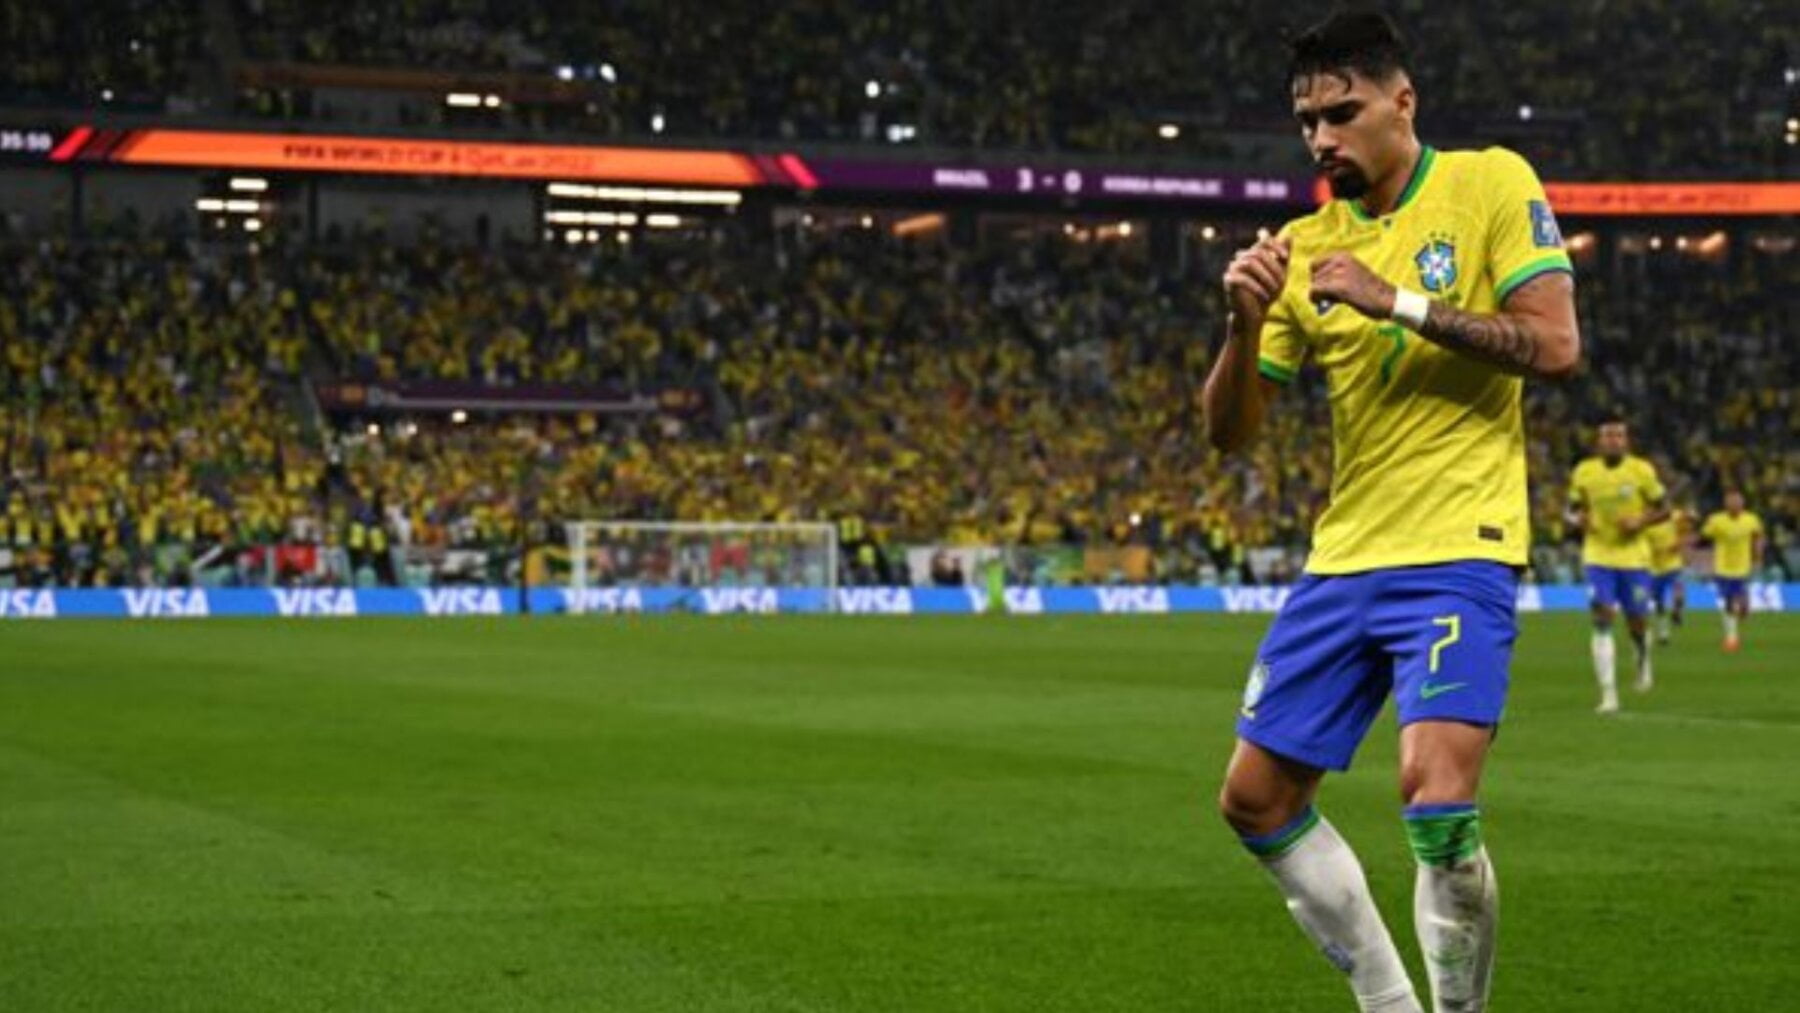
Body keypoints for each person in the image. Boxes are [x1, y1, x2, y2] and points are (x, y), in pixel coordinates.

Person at [1201, 11, 1579, 1012]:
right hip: (1345, 555)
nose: (1321, 138)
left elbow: (1554, 345)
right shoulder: (1300, 247)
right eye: (1306, 122)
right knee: (1254, 798)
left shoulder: (1490, 182)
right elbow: (1229, 433)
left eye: (1342, 112)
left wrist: (1397, 301)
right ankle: (1389, 1002)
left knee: (1436, 799)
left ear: (1401, 102)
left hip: (1460, 543)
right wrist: (1242, 324)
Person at [1567, 417, 1669, 710]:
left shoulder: (1641, 470)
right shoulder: (1584, 471)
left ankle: (1642, 659)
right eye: (1607, 435)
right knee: (1602, 618)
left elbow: (1664, 509)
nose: (1613, 440)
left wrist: (1641, 521)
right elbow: (1571, 510)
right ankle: (1608, 695)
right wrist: (1578, 519)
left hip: (1634, 558)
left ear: (1627, 441)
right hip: (1598, 556)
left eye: (1619, 435)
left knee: (1637, 620)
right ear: (1598, 441)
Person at [1699, 490, 1764, 652]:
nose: (1734, 504)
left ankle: (1744, 607)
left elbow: (1758, 536)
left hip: (1743, 567)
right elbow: (1704, 537)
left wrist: (1757, 555)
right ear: (1726, 504)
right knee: (1728, 601)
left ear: (1742, 503)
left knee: (1743, 607)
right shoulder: (1716, 520)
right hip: (1723, 568)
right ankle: (1731, 637)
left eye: (1737, 501)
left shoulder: (1751, 519)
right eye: (1731, 501)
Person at [1643, 504, 1691, 645]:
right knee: (1659, 603)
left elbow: (1687, 526)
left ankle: (1677, 609)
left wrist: (1679, 543)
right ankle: (1663, 632)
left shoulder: (1673, 516)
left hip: (1673, 564)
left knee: (1678, 588)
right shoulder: (1644, 524)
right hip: (1654, 568)